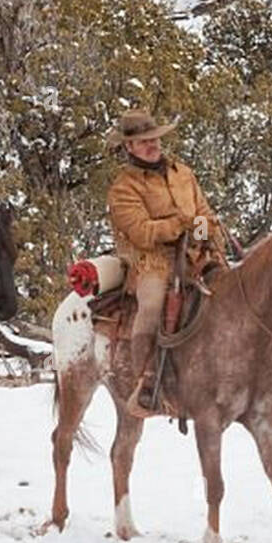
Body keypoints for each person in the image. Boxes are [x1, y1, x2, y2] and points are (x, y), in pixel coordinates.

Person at [105, 108, 227, 415]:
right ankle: (146, 379)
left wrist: (201, 234)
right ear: (129, 147)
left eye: (155, 139)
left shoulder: (182, 173)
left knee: (233, 288)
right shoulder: (123, 188)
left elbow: (205, 214)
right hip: (152, 262)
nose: (152, 145)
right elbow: (142, 232)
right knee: (152, 304)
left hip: (195, 255)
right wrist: (180, 224)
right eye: (144, 142)